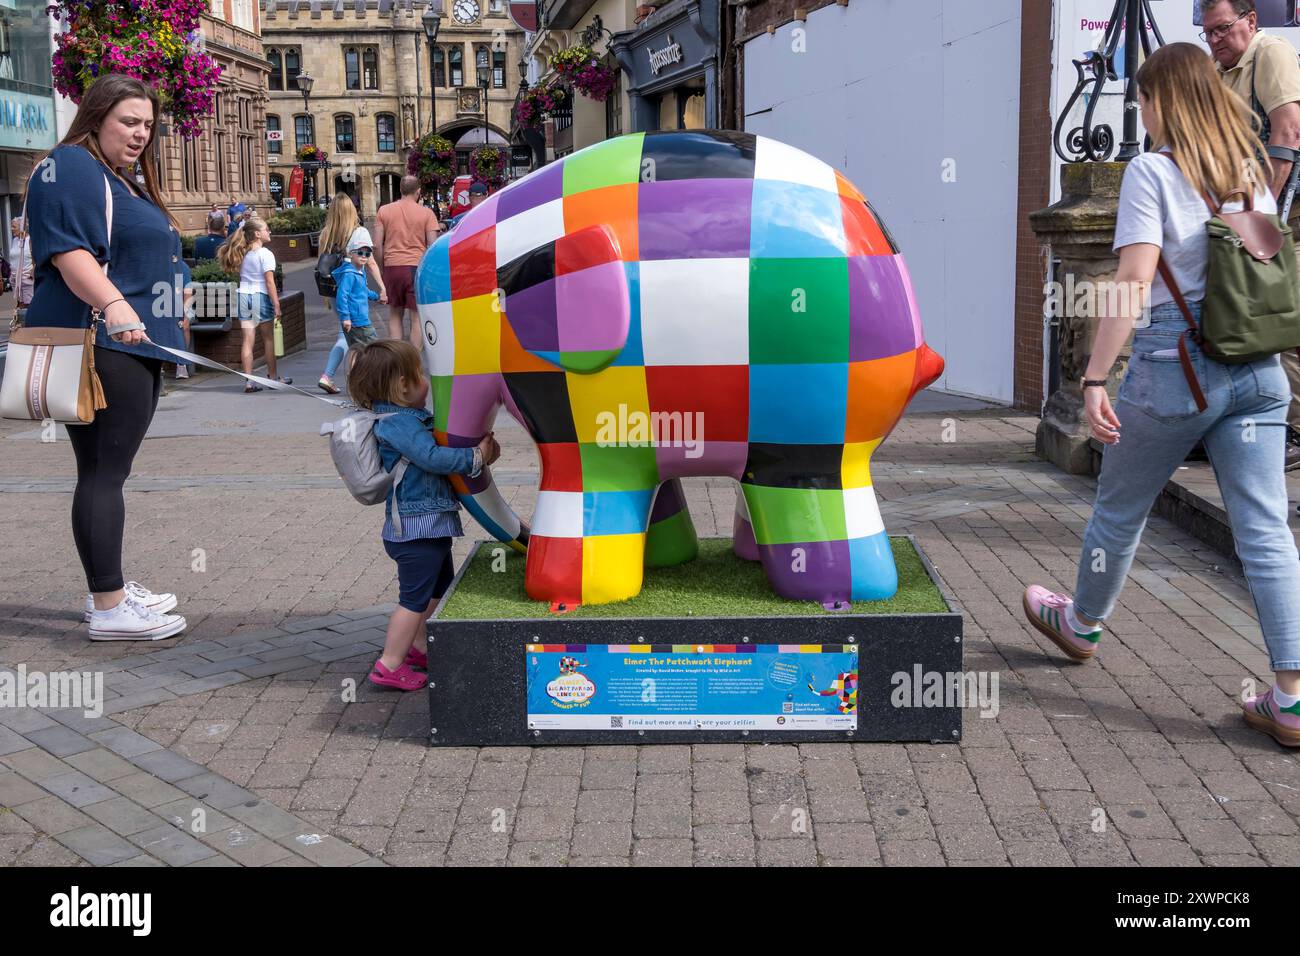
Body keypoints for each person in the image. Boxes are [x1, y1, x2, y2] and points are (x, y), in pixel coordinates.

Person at [1022, 43, 1300, 747]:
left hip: (1176, 367)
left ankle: (1080, 624)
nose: (1142, 113)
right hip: (1259, 369)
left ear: (1162, 102)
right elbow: (1264, 269)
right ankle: (1292, 697)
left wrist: (1093, 378)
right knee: (1267, 531)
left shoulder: (1152, 171)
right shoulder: (1250, 174)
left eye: (1144, 100)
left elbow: (1135, 282)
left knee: (1119, 509)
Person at [24, 73, 187, 641]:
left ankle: (109, 586)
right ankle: (109, 604)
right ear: (96, 117)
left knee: (106, 471)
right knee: (102, 472)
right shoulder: (71, 165)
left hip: (133, 343)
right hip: (105, 343)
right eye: (129, 121)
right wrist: (116, 304)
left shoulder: (118, 178)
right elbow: (70, 249)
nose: (141, 133)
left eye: (148, 123)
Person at [347, 340, 499, 690]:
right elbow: (433, 459)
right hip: (416, 531)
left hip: (429, 527)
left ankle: (416, 648)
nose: (425, 380)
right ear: (403, 385)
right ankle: (389, 664)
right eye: (420, 374)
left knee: (437, 590)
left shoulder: (406, 420)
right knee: (413, 601)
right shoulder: (399, 425)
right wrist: (476, 456)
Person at [1202, 0, 1300, 469]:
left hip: (1286, 214)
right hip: (1248, 213)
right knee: (1261, 319)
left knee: (1279, 319)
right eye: (1209, 32)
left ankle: (1289, 431)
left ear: (1251, 21)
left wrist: (1263, 219)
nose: (1216, 38)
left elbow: (1288, 134)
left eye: (1223, 28)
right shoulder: (1220, 72)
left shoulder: (1269, 53)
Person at [314, 193, 385, 394]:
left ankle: (329, 376)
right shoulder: (360, 232)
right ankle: (353, 380)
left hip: (334, 292)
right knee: (355, 339)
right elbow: (370, 263)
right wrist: (382, 287)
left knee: (345, 335)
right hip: (354, 294)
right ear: (351, 211)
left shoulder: (326, 234)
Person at [219, 215, 291, 392]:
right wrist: (276, 304)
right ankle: (273, 378)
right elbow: (269, 282)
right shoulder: (265, 254)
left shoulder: (242, 253)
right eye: (267, 229)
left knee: (247, 341)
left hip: (244, 295)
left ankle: (249, 381)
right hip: (260, 296)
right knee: (268, 339)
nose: (269, 232)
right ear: (258, 234)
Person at [373, 175, 441, 345]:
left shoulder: (384, 211)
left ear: (400, 190)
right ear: (418, 191)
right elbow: (433, 247)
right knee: (416, 317)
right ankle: (414, 363)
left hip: (392, 266)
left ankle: (397, 359)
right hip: (416, 269)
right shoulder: (427, 214)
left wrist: (382, 268)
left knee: (395, 314)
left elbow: (376, 245)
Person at [332, 236, 380, 348]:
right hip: (357, 320)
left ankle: (356, 365)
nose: (364, 256)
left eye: (367, 254)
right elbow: (342, 295)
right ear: (350, 254)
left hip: (359, 319)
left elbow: (363, 290)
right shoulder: (349, 274)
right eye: (360, 253)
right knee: (376, 349)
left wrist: (376, 297)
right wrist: (345, 318)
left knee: (357, 350)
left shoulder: (359, 272)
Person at [8, 217, 32, 306]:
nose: (11, 229)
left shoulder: (30, 240)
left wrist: (32, 272)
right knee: (20, 306)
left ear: (22, 226)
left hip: (26, 278)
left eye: (14, 227)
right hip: (15, 278)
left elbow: (35, 258)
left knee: (29, 306)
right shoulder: (15, 240)